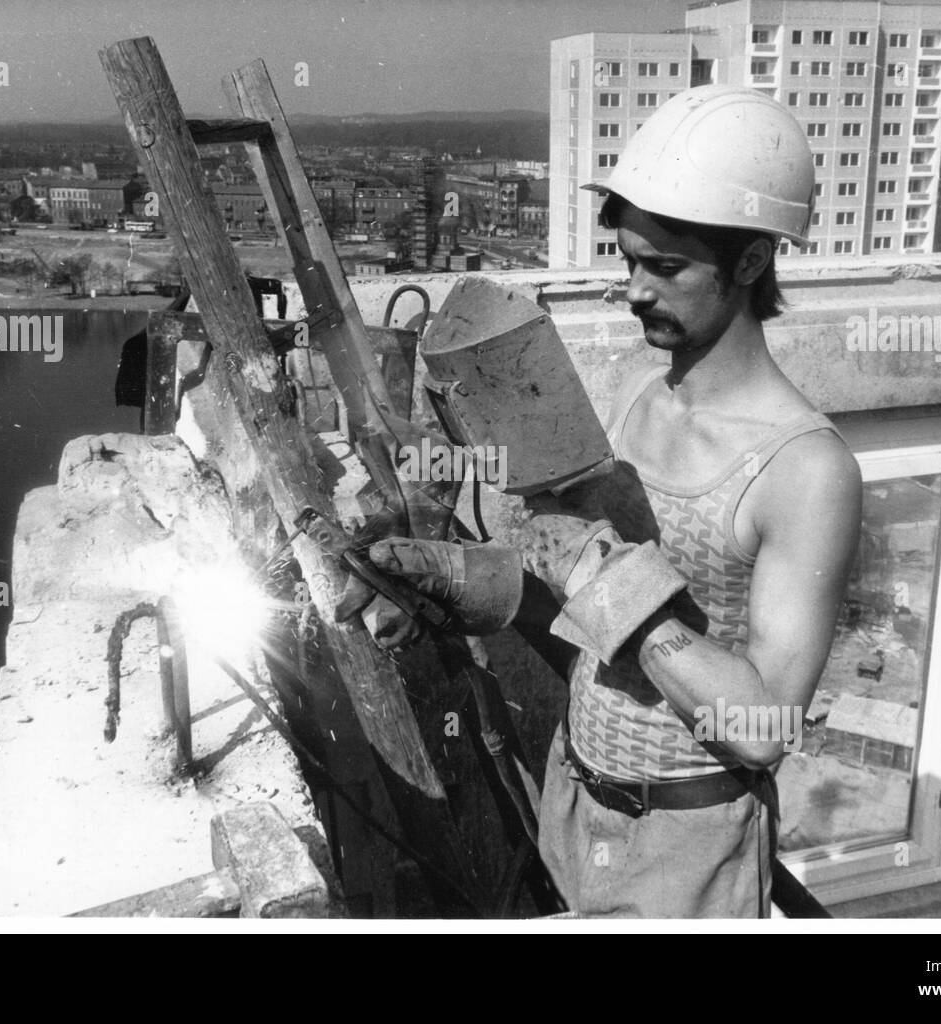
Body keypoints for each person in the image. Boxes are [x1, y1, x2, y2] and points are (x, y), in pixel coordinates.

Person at [339, 85, 862, 917]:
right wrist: (447, 574)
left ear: (754, 261)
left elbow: (762, 730)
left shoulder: (804, 470)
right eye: (627, 261)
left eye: (665, 266)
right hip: (575, 806)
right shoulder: (634, 397)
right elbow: (574, 607)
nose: (635, 290)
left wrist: (611, 581)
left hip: (684, 860)